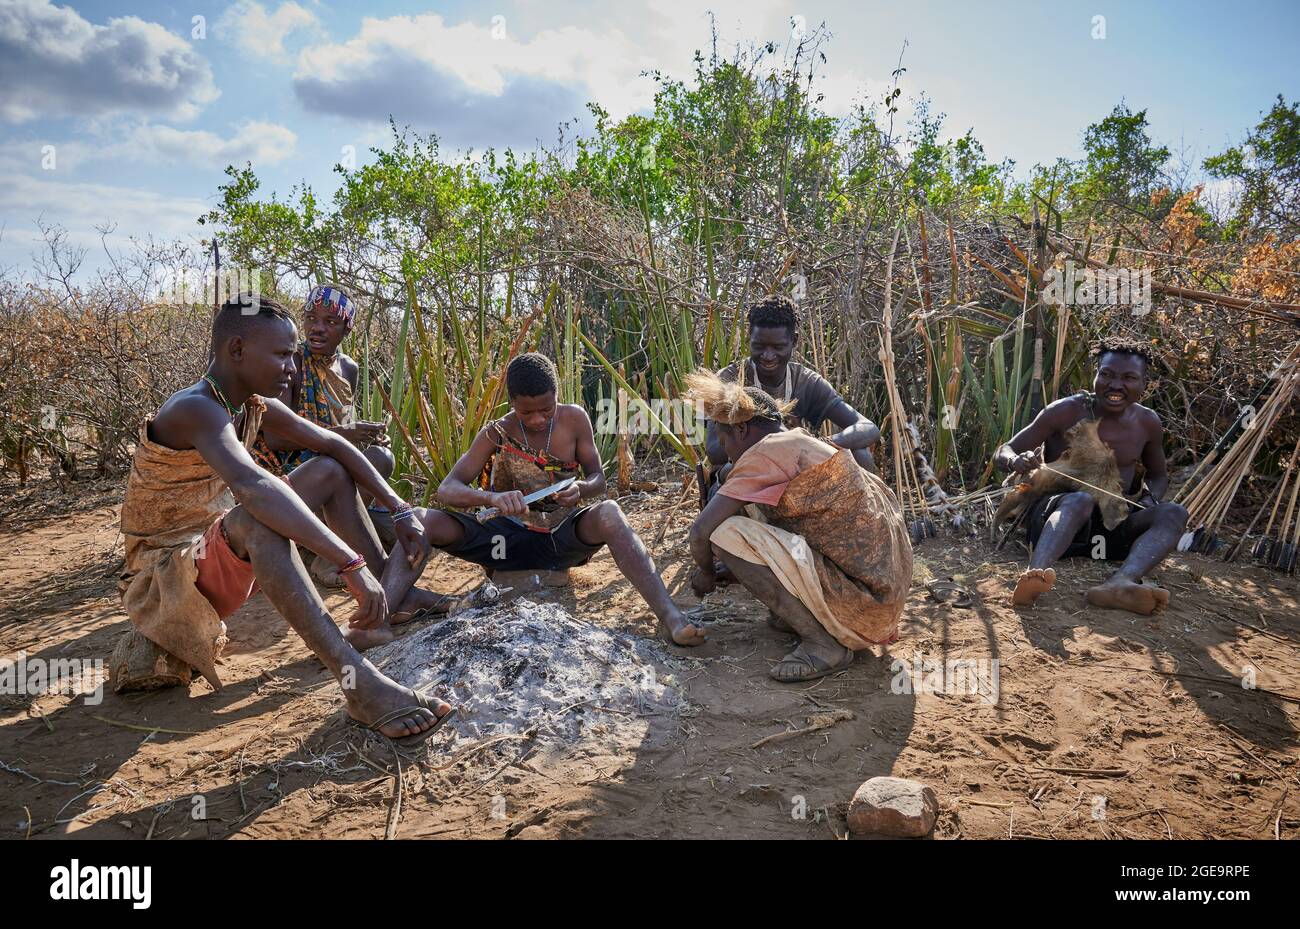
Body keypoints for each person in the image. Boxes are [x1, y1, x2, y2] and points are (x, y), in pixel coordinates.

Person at [113, 293, 453, 744]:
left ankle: (387, 607)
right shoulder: (197, 407)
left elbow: (335, 446)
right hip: (164, 578)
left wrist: (401, 508)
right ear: (236, 351)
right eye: (282, 356)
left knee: (330, 471)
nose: (292, 369)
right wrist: (348, 565)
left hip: (214, 553)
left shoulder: (252, 404)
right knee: (257, 517)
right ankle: (361, 687)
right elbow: (254, 487)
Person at [380, 353, 706, 647]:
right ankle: (378, 620)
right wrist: (491, 497)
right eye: (526, 412)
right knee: (421, 518)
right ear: (511, 404)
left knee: (609, 513)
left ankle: (670, 617)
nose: (537, 419)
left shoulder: (574, 420)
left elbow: (599, 479)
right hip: (502, 544)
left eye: (545, 409)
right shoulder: (496, 432)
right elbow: (447, 489)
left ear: (557, 397)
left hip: (559, 541)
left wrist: (581, 488)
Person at [685, 369, 913, 682]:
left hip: (863, 611)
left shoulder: (765, 452)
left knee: (725, 534)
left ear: (740, 430)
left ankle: (823, 645)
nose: (725, 452)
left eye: (723, 439)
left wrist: (707, 573)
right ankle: (805, 619)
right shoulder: (800, 441)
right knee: (753, 515)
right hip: (878, 609)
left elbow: (700, 532)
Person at [993, 337, 1188, 615]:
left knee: (1174, 513)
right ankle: (1035, 575)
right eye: (1106, 374)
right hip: (1056, 524)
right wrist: (1016, 460)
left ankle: (1121, 582)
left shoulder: (1147, 423)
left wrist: (1150, 498)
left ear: (1145, 383)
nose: (1115, 385)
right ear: (1095, 374)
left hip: (1111, 532)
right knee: (1080, 500)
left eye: (1129, 378)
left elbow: (1158, 476)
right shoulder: (1065, 411)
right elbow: (1005, 449)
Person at [253, 285, 400, 582]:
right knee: (333, 469)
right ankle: (326, 554)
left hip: (328, 456)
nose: (317, 329)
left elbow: (342, 423)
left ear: (347, 329)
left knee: (381, 457)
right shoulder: (290, 361)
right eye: (311, 318)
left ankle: (331, 542)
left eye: (330, 322)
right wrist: (345, 435)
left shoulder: (349, 368)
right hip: (287, 470)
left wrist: (364, 437)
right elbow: (276, 439)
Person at [705, 295, 880, 480]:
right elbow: (714, 451)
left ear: (794, 341)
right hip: (743, 469)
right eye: (759, 346)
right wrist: (779, 445)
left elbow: (868, 428)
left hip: (795, 468)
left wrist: (812, 444)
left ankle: (867, 507)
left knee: (860, 456)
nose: (768, 355)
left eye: (778, 347)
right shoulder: (729, 380)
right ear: (749, 339)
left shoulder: (805, 381)